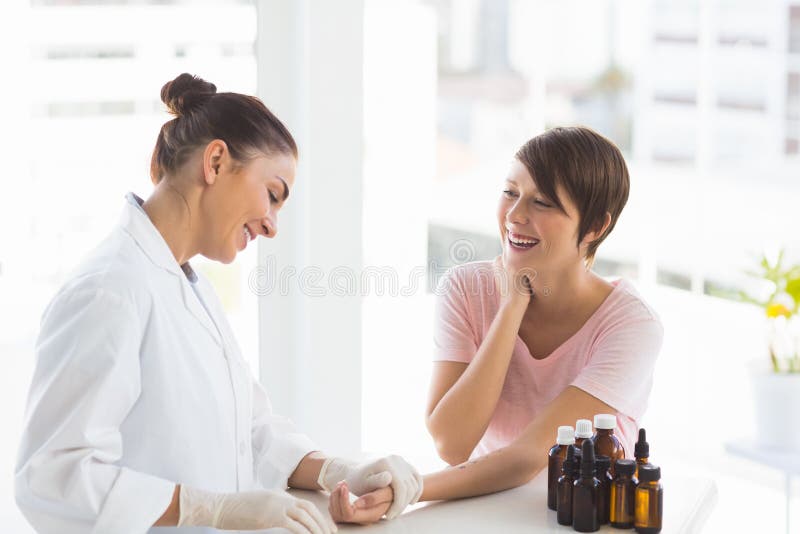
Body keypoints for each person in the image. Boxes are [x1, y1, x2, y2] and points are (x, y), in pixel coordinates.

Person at [14, 73, 422, 534]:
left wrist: (338, 472)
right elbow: (53, 478)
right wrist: (208, 509)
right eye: (272, 195)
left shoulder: (190, 288)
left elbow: (252, 429)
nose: (272, 226)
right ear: (215, 161)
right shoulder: (109, 290)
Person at [328, 126, 663, 525]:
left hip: (581, 517)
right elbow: (452, 442)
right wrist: (512, 306)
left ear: (595, 228)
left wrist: (410, 490)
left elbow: (528, 456)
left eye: (542, 202)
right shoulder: (465, 288)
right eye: (510, 192)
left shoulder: (630, 325)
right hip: (488, 507)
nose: (516, 216)